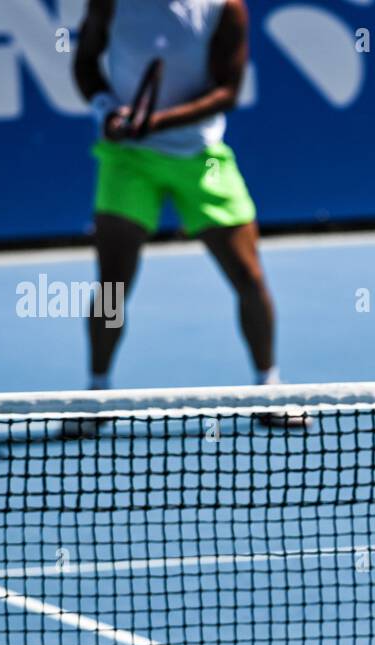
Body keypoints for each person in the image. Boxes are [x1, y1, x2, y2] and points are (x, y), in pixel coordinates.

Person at [73, 0, 282, 391]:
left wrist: (155, 123)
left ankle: (269, 384)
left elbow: (228, 92)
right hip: (129, 160)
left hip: (201, 158)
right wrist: (107, 112)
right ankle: (96, 390)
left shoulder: (224, 7)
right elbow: (84, 64)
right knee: (112, 286)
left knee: (249, 276)